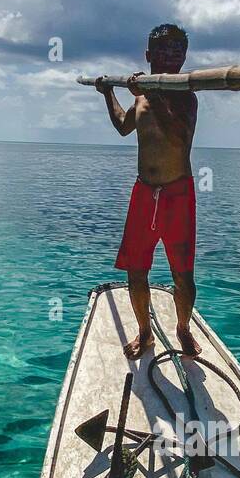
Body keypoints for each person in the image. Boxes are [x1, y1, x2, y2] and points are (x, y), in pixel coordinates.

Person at [96, 23, 200, 358]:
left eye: (177, 51)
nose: (172, 58)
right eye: (164, 51)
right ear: (149, 55)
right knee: (136, 271)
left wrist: (153, 95)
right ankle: (145, 333)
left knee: (182, 275)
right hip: (143, 194)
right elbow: (124, 127)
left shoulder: (186, 96)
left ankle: (182, 328)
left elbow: (178, 139)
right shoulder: (140, 97)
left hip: (177, 195)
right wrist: (108, 94)